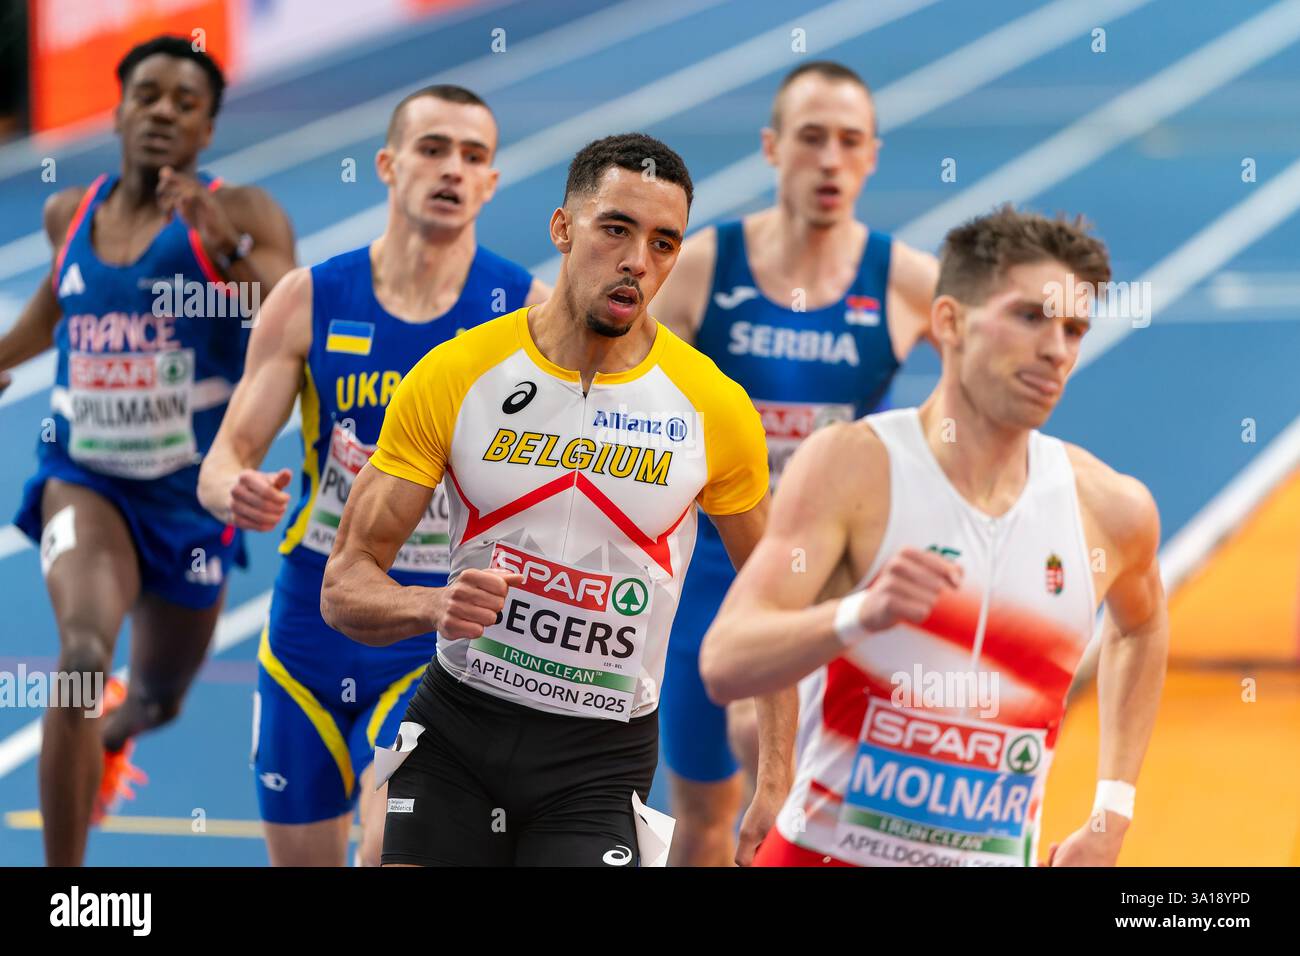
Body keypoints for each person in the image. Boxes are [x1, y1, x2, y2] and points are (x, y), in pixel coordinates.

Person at [319, 133, 779, 866]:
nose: (638, 260)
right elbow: (344, 585)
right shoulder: (458, 374)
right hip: (456, 732)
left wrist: (776, 781)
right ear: (564, 229)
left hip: (599, 760)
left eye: (665, 243)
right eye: (617, 229)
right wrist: (431, 606)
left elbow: (778, 598)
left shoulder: (712, 408)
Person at [700, 205, 1169, 867]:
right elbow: (725, 663)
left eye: (1073, 327)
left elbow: (1142, 625)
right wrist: (858, 614)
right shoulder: (854, 467)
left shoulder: (1110, 508)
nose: (1055, 348)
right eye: (1030, 316)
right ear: (948, 321)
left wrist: (1112, 810)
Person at [198, 84, 548, 866]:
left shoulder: (522, 316)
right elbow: (224, 459)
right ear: (388, 166)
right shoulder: (310, 299)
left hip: (431, 623)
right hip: (308, 625)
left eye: (474, 156)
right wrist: (234, 489)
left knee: (395, 843)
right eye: (432, 149)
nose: (452, 169)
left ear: (491, 183)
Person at [0, 35, 296, 866]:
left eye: (187, 103)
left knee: (159, 697)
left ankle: (119, 734)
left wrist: (223, 247)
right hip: (83, 481)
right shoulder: (73, 213)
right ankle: (66, 891)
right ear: (122, 106)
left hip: (188, 500)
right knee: (83, 655)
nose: (164, 111)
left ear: (207, 131)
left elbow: (294, 318)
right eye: (149, 95)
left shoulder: (241, 215)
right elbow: (47, 319)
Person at [650, 60, 938, 866]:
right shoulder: (706, 267)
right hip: (711, 572)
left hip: (836, 577)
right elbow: (613, 390)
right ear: (773, 148)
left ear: (873, 155)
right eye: (812, 138)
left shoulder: (909, 282)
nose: (831, 160)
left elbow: (981, 398)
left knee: (821, 801)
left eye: (850, 142)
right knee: (704, 814)